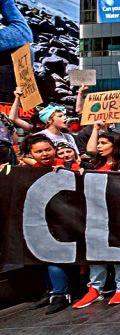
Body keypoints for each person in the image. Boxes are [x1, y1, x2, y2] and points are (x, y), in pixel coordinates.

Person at [74, 129, 120, 308]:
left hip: (119, 216)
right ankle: (95, 289)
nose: (99, 147)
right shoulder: (93, 165)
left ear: (115, 145)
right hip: (95, 215)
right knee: (96, 251)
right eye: (99, 143)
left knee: (118, 250)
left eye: (103, 143)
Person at [20, 135, 78, 314]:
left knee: (54, 258)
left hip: (68, 223)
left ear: (54, 149)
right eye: (39, 151)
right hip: (42, 222)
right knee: (40, 257)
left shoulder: (69, 165)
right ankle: (51, 291)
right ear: (32, 154)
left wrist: (70, 173)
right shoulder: (31, 169)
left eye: (47, 150)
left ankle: (61, 294)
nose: (44, 154)